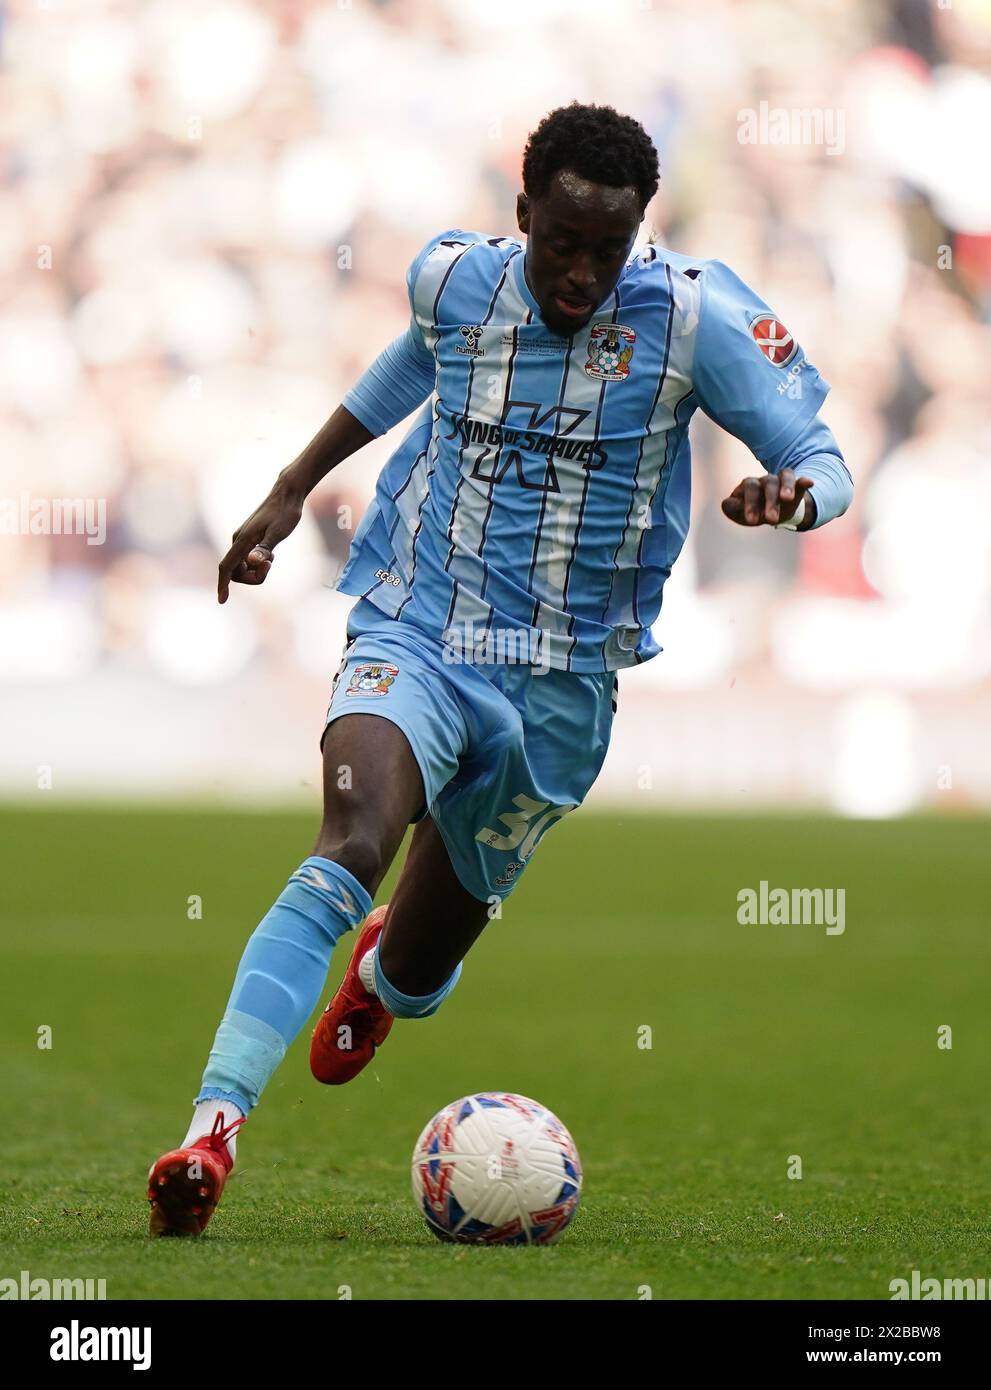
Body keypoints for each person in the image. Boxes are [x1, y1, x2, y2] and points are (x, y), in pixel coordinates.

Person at [147, 101, 852, 1236]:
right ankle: (211, 1129)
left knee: (422, 968)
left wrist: (795, 494)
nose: (579, 272)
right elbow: (409, 366)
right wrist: (291, 484)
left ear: (639, 232)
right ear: (520, 211)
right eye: (559, 242)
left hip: (562, 685)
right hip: (417, 629)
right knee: (350, 840)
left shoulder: (695, 317)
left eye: (606, 249)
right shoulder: (456, 279)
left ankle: (386, 980)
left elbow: (821, 454)